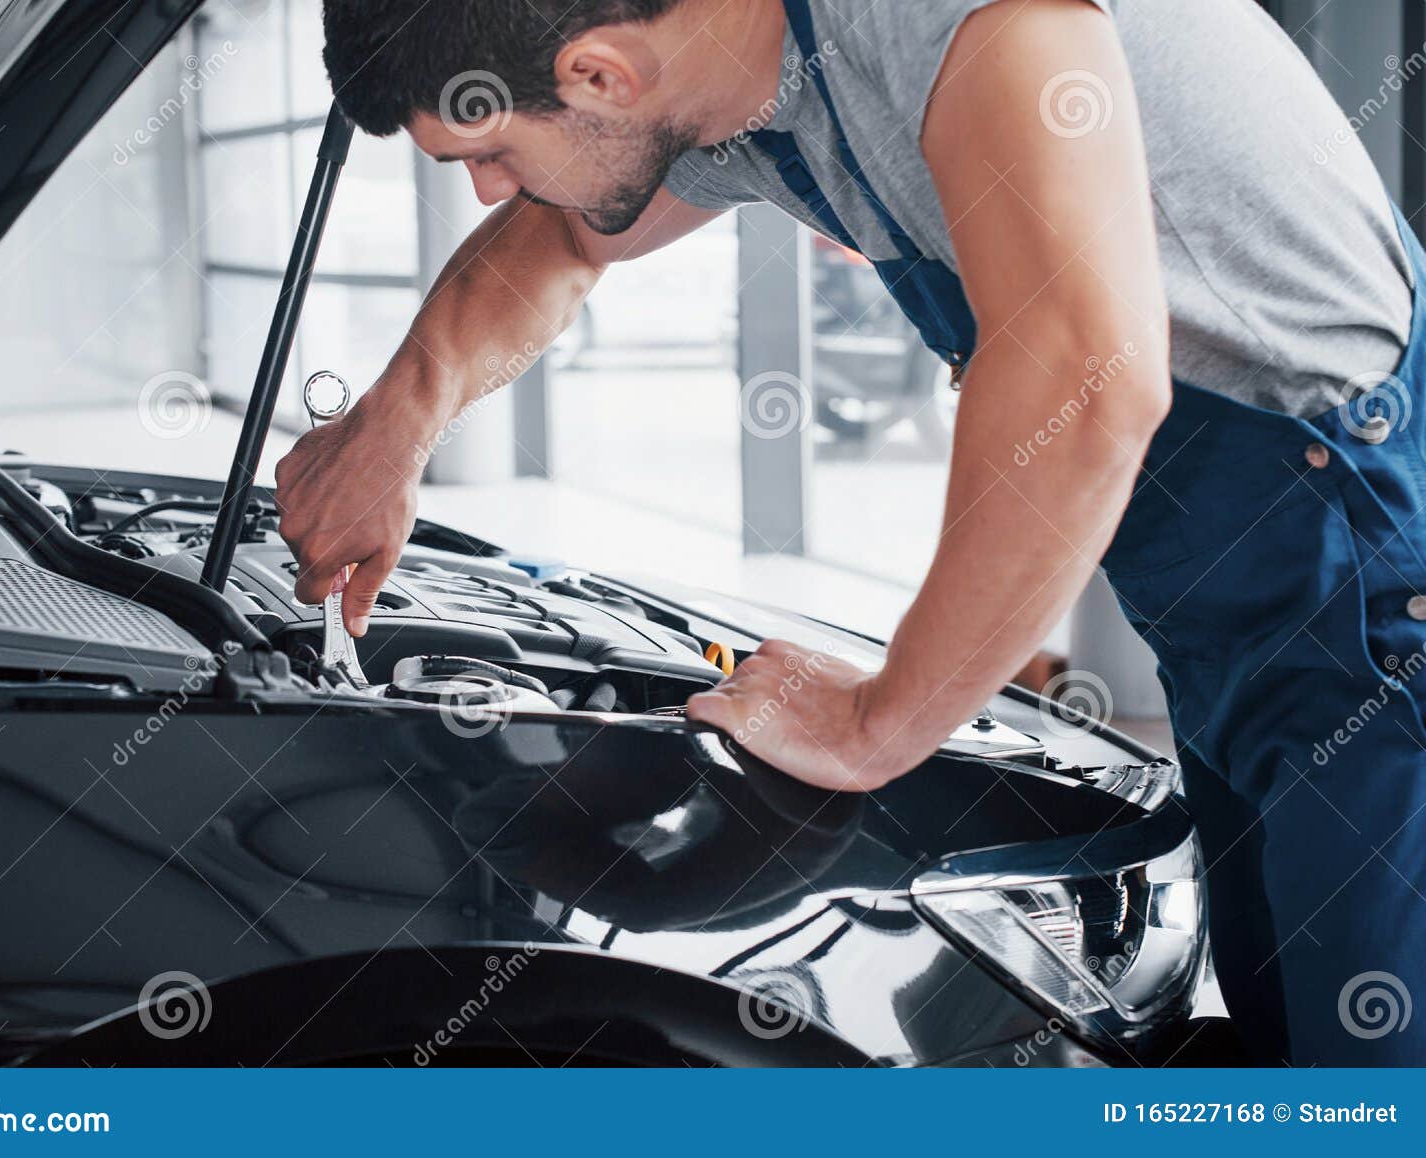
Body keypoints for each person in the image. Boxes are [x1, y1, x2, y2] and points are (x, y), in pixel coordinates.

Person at [276, 0, 1426, 1065]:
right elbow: (564, 243)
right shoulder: (729, 81)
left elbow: (1087, 379)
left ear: (598, 73)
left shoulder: (970, 27)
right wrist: (395, 425)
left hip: (1374, 575)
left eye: (486, 153)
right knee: (1292, 1029)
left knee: (1377, 1079)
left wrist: (881, 723)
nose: (484, 191)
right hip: (1241, 609)